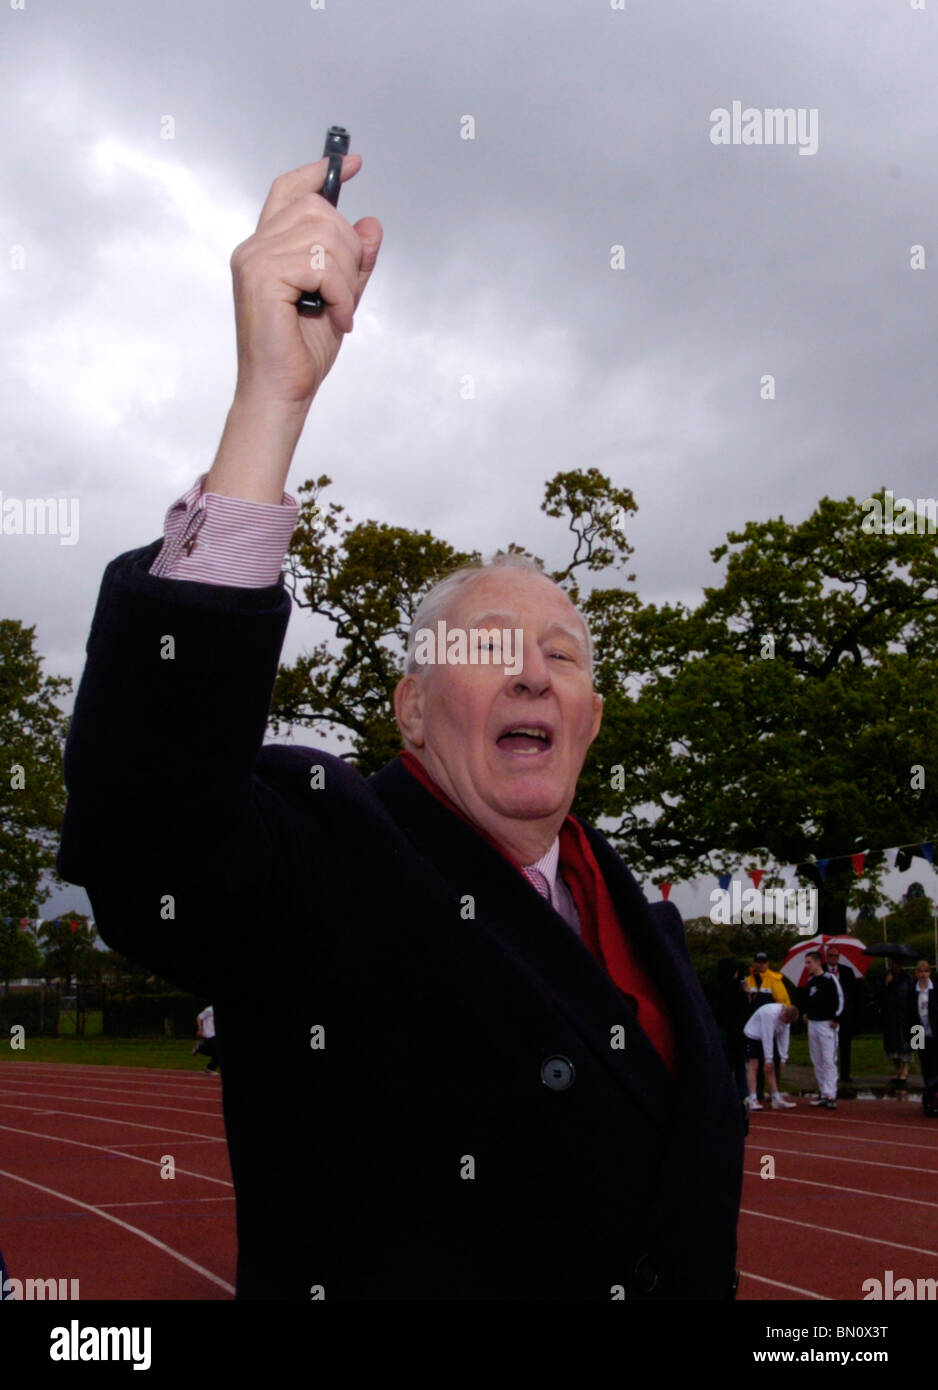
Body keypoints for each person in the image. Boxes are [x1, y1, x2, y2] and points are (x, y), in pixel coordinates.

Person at [56, 154, 745, 1302]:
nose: (531, 674)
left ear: (590, 718)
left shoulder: (638, 918)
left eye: (562, 659)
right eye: (484, 650)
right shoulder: (330, 851)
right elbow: (151, 830)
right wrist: (269, 401)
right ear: (411, 708)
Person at [746, 950, 791, 1099]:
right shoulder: (749, 980)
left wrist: (781, 1022)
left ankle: (774, 1092)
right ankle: (757, 1093)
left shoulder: (774, 979)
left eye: (764, 961)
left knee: (772, 1059)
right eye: (758, 961)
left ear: (768, 963)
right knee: (756, 1061)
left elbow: (784, 1002)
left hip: (771, 1026)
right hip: (755, 1027)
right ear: (754, 963)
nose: (761, 964)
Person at [802, 951, 841, 1109]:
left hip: (826, 1024)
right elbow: (809, 1000)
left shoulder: (830, 979)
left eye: (809, 962)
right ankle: (823, 1092)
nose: (807, 966)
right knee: (817, 1059)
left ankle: (831, 1094)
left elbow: (840, 999)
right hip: (813, 1023)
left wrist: (836, 1018)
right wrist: (806, 1013)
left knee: (828, 1059)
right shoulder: (811, 981)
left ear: (818, 962)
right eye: (806, 962)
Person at [743, 1003, 798, 1110]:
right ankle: (753, 1098)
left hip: (767, 1036)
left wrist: (783, 1057)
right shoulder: (770, 1013)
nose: (784, 1023)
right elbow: (766, 1034)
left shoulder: (787, 1021)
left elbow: (784, 1038)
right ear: (783, 1013)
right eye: (784, 1020)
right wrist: (768, 1059)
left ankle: (775, 1097)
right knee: (754, 1065)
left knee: (770, 1067)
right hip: (753, 1035)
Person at [714, 957, 753, 1102]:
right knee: (733, 1065)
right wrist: (747, 995)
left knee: (737, 1066)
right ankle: (737, 1094)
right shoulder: (730, 990)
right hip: (730, 1033)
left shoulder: (721, 987)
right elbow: (742, 1010)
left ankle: (739, 1094)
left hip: (731, 1032)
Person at [823, 945, 855, 1082]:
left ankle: (845, 1074)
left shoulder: (847, 972)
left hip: (845, 1015)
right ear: (826, 956)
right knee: (828, 1047)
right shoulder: (821, 971)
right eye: (830, 955)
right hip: (827, 1015)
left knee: (845, 1045)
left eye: (835, 956)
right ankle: (830, 1074)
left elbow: (854, 993)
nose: (833, 958)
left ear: (839, 957)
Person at [882, 958, 915, 1087]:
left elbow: (911, 996)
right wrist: (886, 983)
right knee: (892, 1044)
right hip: (890, 1016)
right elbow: (879, 995)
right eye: (894, 963)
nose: (896, 965)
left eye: (898, 963)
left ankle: (905, 1069)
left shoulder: (907, 978)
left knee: (905, 1042)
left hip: (904, 1015)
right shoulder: (886, 976)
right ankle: (897, 1068)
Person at [910, 960, 937, 1087]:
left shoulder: (935, 989)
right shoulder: (913, 991)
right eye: (920, 971)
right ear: (916, 973)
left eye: (926, 971)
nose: (923, 974)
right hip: (918, 1031)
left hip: (934, 1030)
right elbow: (909, 1013)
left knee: (935, 1063)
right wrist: (909, 1037)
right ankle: (928, 1091)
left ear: (929, 973)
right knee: (924, 1063)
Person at [192, 1003, 220, 1074]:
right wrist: (200, 1029)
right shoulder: (210, 1010)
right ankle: (209, 1068)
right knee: (217, 1053)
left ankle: (200, 1048)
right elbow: (199, 1017)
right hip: (209, 1034)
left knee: (214, 1052)